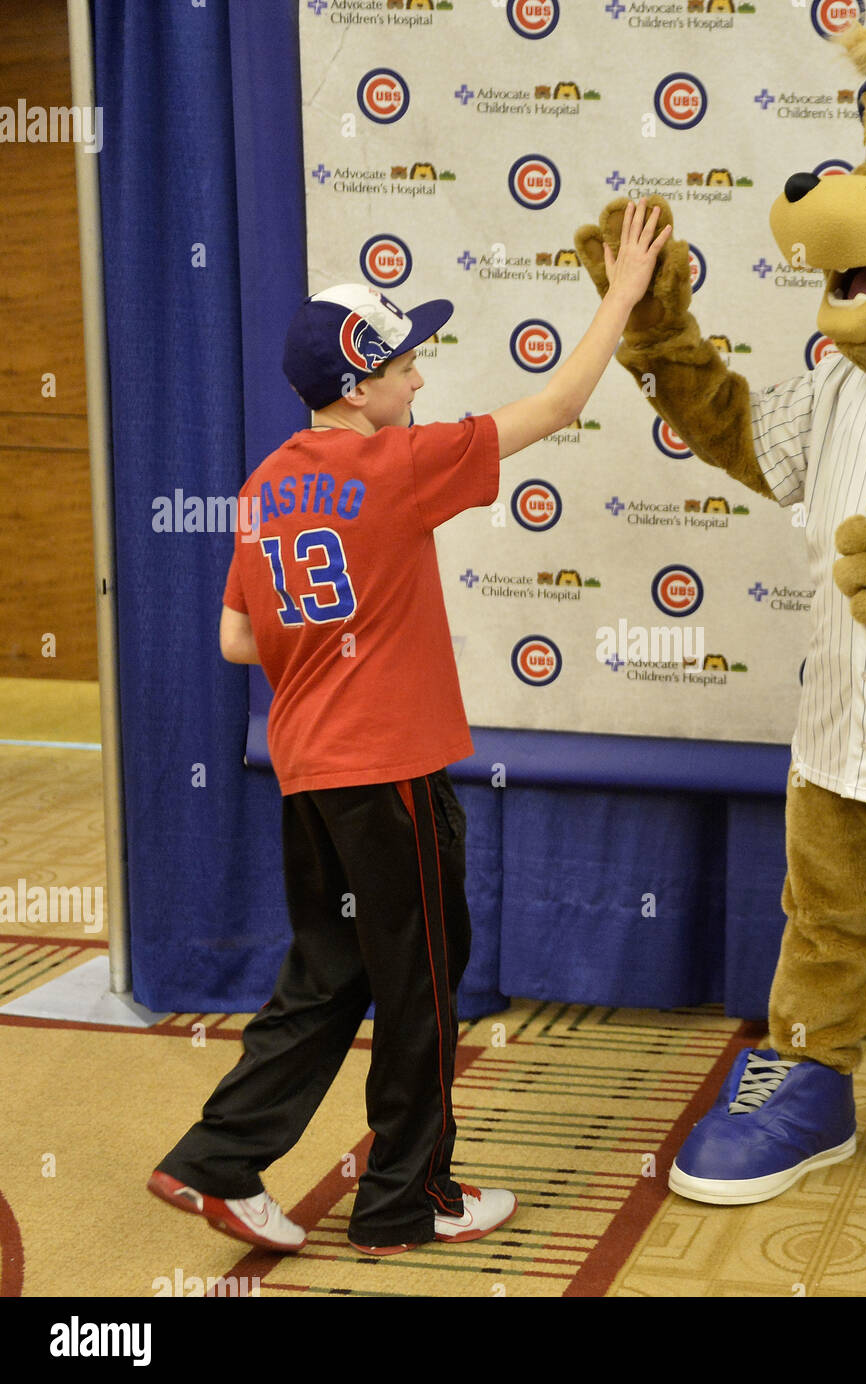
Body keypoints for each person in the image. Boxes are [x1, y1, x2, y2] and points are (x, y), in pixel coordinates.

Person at [147, 200, 671, 1257]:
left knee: (330, 973)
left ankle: (213, 1160)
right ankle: (406, 1199)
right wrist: (620, 294)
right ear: (358, 386)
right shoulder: (396, 468)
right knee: (424, 980)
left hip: (310, 776)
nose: (420, 379)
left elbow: (238, 643)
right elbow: (558, 406)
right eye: (404, 366)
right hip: (389, 775)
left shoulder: (264, 488)